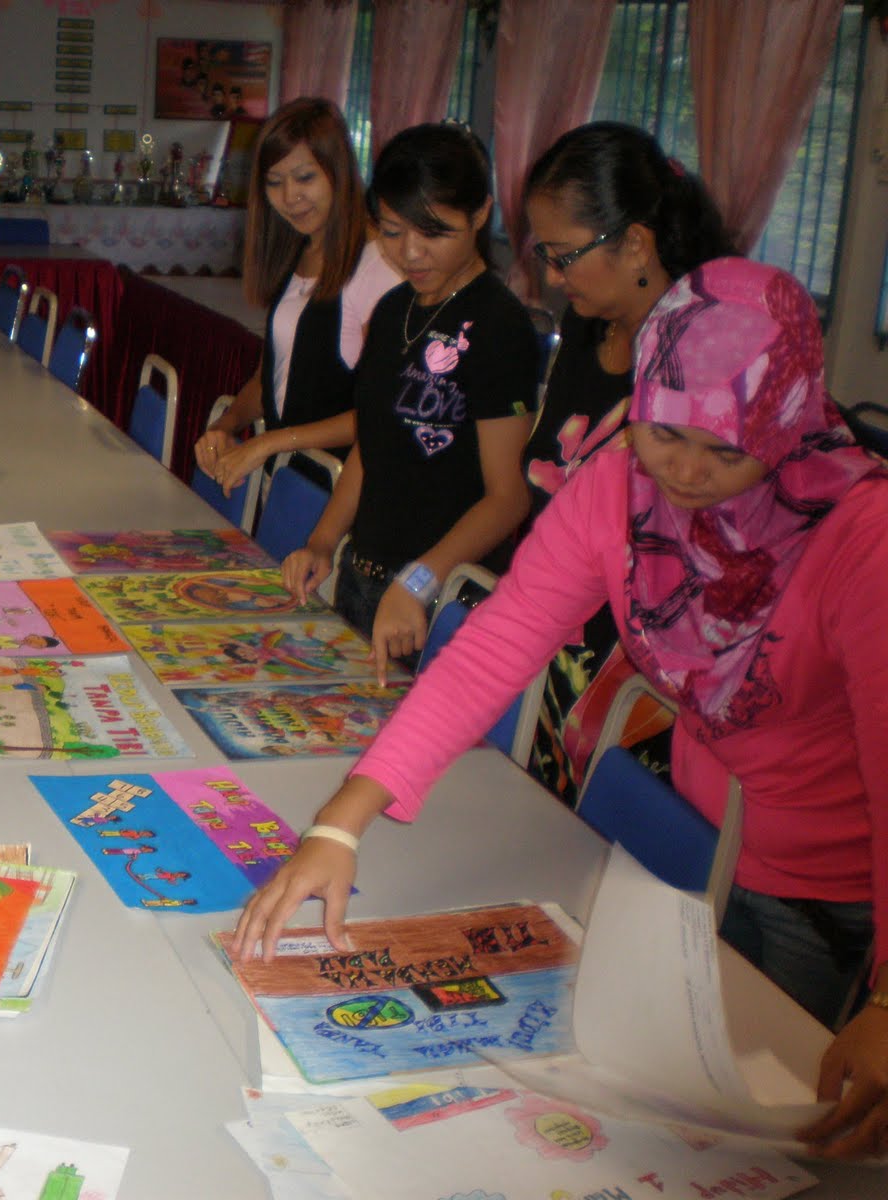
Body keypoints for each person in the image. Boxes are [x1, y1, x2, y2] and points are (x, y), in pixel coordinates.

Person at [239, 258, 888, 1159]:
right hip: (695, 847)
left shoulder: (862, 538)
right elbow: (494, 648)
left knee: (776, 1141)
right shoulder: (619, 488)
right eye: (666, 433)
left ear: (785, 425)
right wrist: (342, 822)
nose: (687, 471)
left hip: (824, 895)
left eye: (728, 451)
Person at [519, 121, 737, 803]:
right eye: (545, 254)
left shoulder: (705, 363)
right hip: (557, 649)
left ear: (636, 244)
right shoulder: (588, 327)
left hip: (643, 690)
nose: (551, 276)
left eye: (564, 256)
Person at [280, 123, 536, 674]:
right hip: (364, 577)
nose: (411, 253)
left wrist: (419, 581)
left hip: (441, 600)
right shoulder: (394, 309)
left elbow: (508, 497)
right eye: (393, 232)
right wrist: (322, 541)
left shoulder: (500, 325)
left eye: (434, 232)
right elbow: (373, 446)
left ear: (480, 214)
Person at [193, 97, 400, 496]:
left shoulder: (376, 265)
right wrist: (226, 425)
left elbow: (384, 413)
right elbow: (269, 378)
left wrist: (271, 441)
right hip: (291, 484)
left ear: (338, 171)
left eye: (305, 178)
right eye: (274, 182)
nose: (290, 197)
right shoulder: (299, 251)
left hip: (345, 494)